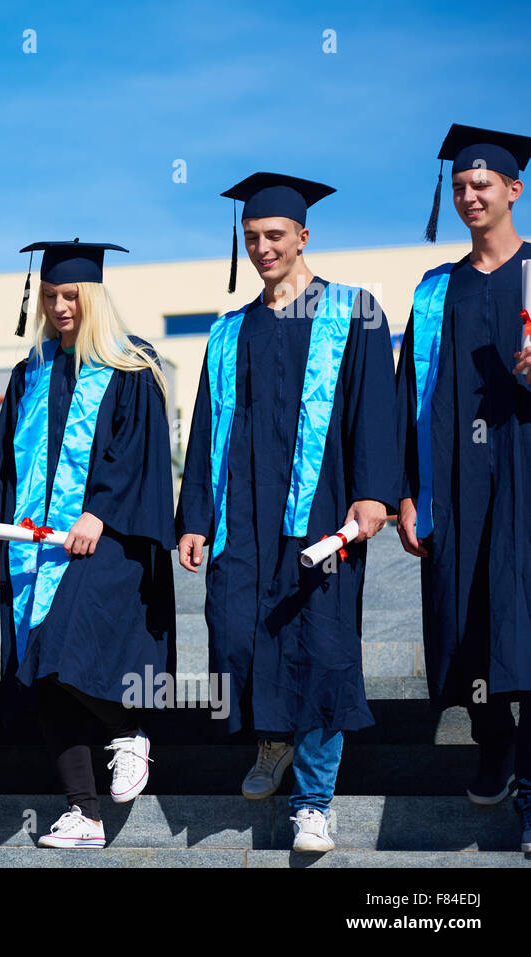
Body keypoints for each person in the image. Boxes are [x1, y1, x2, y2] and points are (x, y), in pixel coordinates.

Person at [176, 174, 399, 853]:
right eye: (252, 238)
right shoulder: (227, 331)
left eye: (275, 235)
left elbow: (375, 410)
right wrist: (195, 516)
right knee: (239, 635)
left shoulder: (353, 313)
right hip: (241, 517)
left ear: (304, 236)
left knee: (319, 646)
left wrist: (374, 493)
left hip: (321, 511)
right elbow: (209, 428)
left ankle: (313, 799)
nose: (263, 247)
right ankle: (271, 740)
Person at [0, 241, 175, 849]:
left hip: (106, 538)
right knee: (38, 672)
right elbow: (3, 463)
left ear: (93, 298)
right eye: (51, 296)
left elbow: (138, 450)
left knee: (65, 652)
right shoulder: (29, 372)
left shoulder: (128, 363)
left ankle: (129, 730)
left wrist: (97, 509)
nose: (60, 306)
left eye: (71, 296)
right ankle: (82, 813)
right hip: (30, 546)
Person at [397, 124, 531, 852]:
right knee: (468, 616)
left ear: (516, 189)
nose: (470, 194)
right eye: (460, 186)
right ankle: (493, 739)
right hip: (456, 486)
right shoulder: (434, 293)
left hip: (526, 477)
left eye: (484, 184)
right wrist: (409, 491)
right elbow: (410, 397)